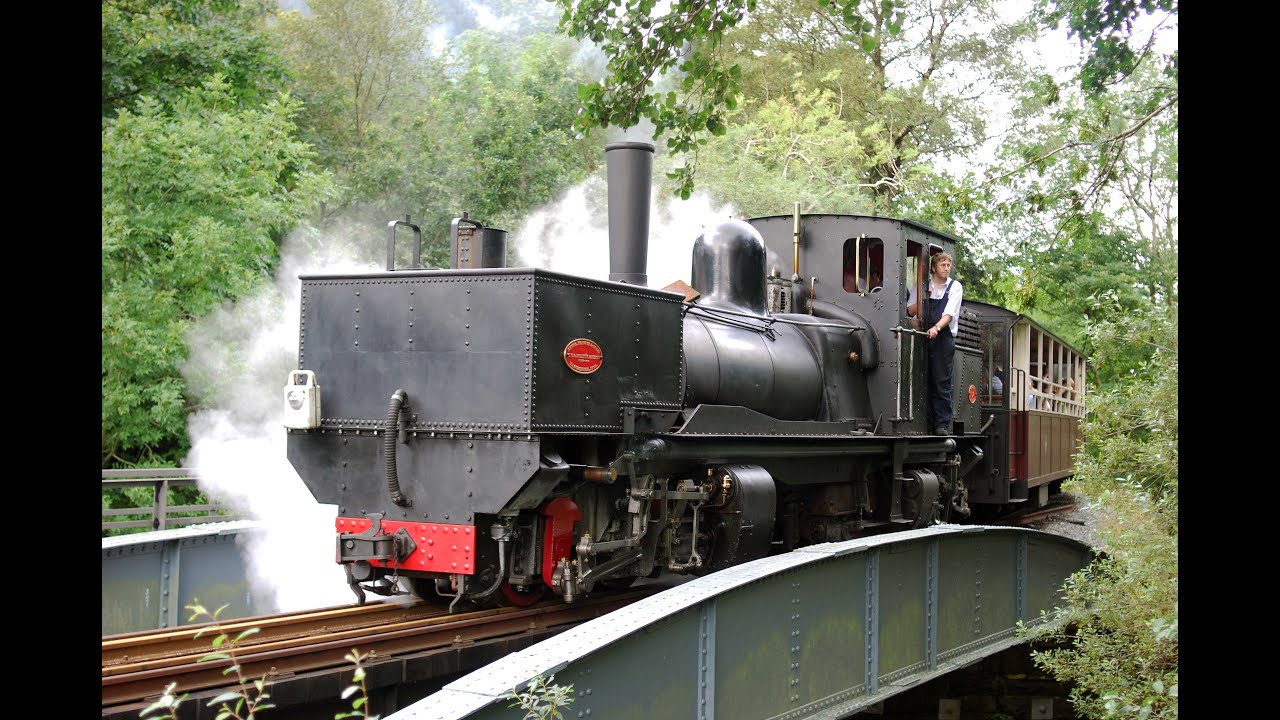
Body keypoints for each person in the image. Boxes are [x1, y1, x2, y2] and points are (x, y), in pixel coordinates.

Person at [906, 252, 963, 435]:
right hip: (923, 336)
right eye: (943, 265)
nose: (947, 268)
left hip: (942, 338)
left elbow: (949, 314)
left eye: (948, 265)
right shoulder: (922, 286)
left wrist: (936, 328)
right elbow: (909, 310)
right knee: (923, 380)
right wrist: (923, 299)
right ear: (933, 268)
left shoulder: (955, 287)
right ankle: (925, 422)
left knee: (941, 382)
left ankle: (942, 424)